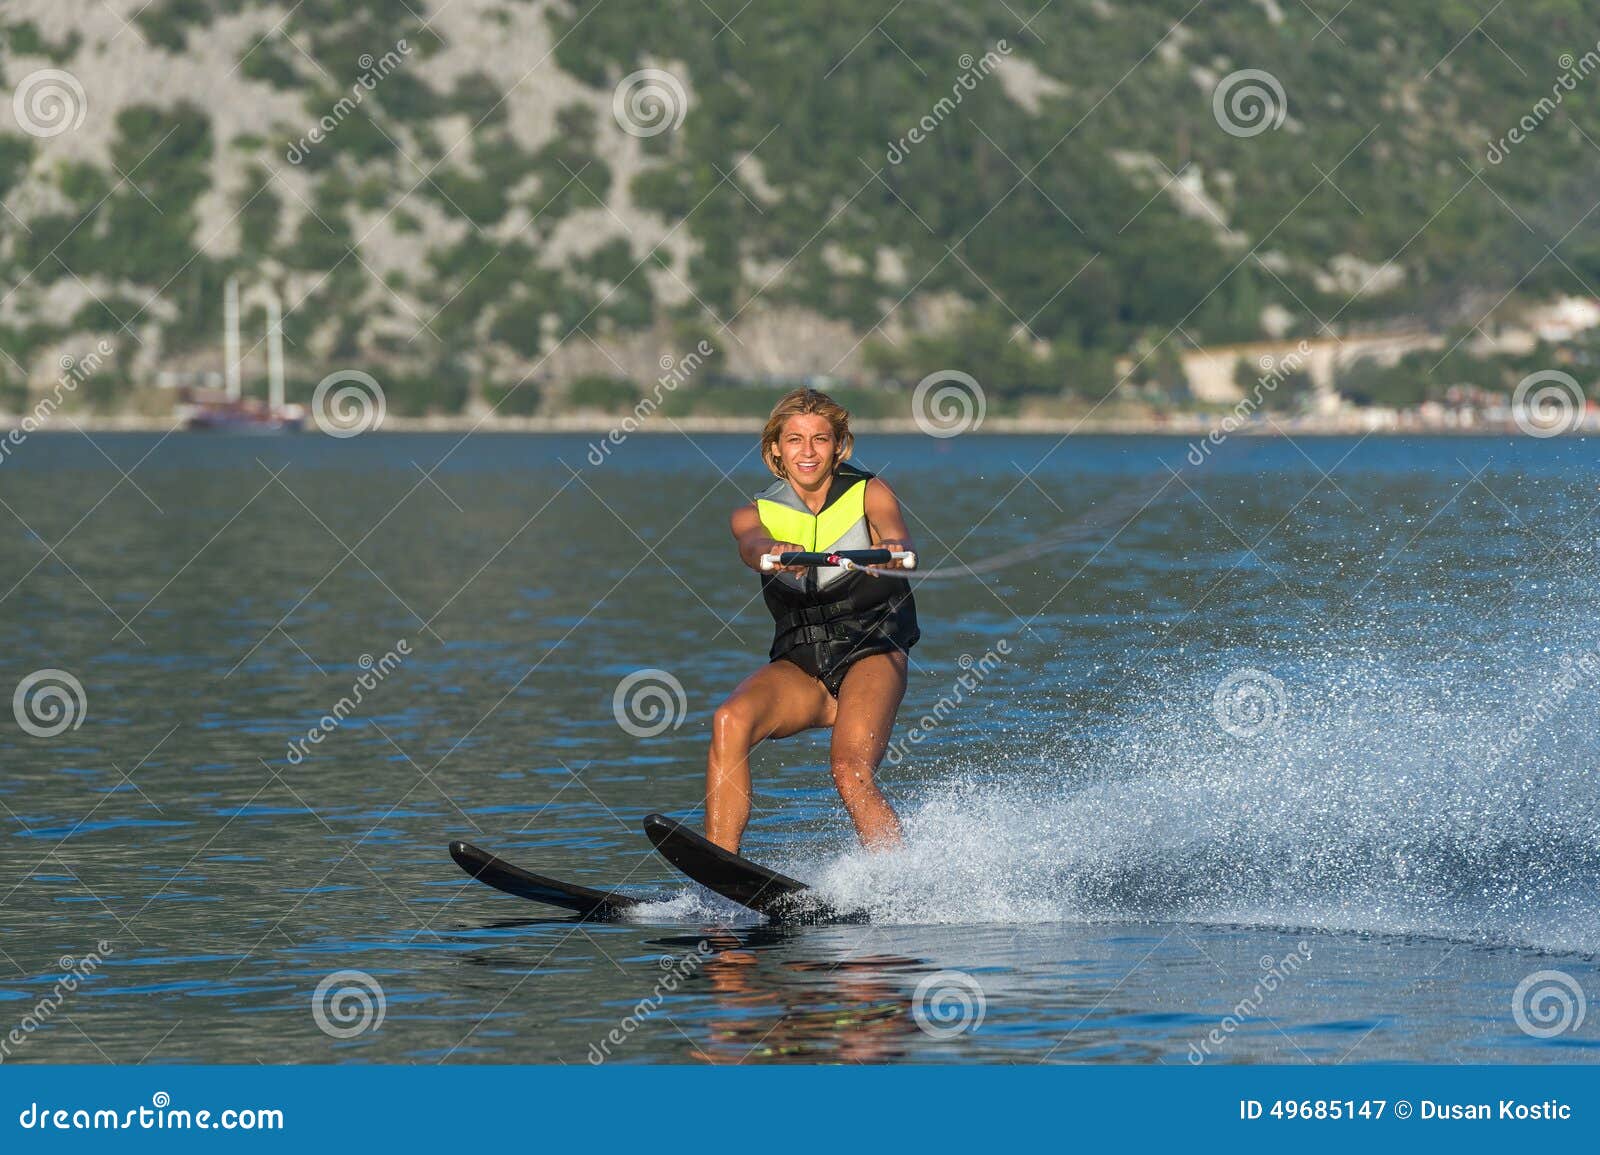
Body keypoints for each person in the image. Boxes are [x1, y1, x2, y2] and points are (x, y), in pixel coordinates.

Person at [706, 388, 920, 854]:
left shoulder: (870, 492)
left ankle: (900, 888)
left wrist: (889, 553)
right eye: (795, 440)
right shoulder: (753, 513)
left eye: (820, 440)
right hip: (803, 664)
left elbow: (896, 534)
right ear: (775, 450)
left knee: (848, 769)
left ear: (838, 446)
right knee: (729, 719)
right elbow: (751, 545)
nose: (807, 452)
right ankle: (718, 874)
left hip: (872, 650)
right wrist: (773, 554)